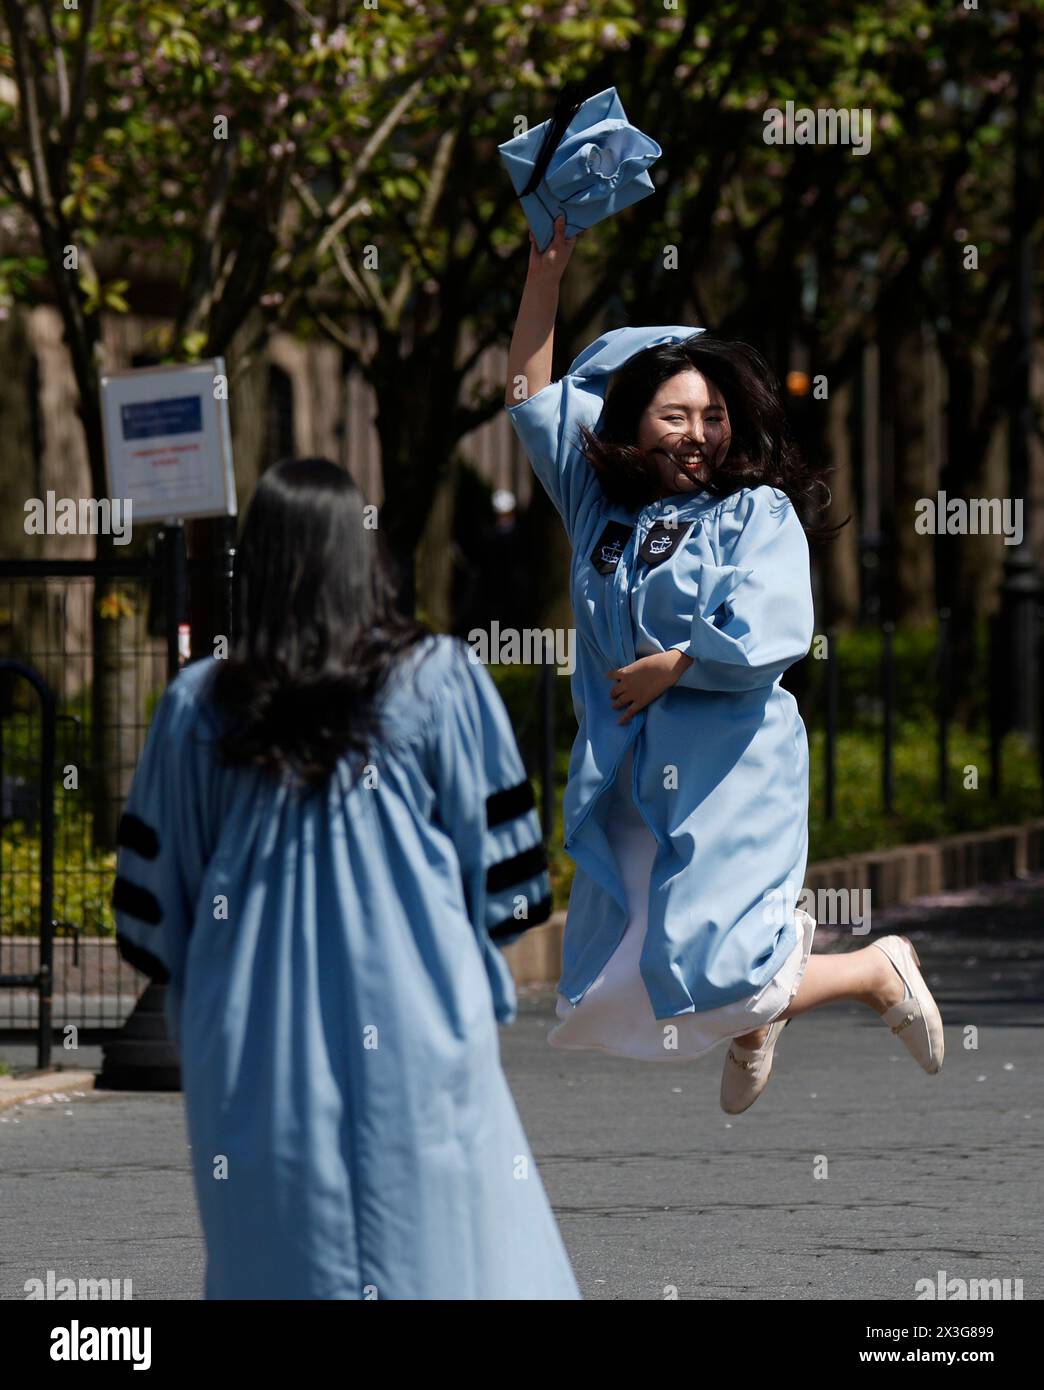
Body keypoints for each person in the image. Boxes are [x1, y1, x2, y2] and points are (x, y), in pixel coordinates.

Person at [503, 216, 944, 1114]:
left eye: (713, 416)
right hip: (627, 778)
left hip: (729, 770)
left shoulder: (755, 513)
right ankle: (758, 1017)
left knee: (717, 958)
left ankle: (868, 969)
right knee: (619, 981)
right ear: (636, 422)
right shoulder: (595, 503)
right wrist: (544, 277)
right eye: (676, 415)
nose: (696, 433)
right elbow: (528, 393)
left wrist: (676, 665)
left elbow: (775, 626)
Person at [112, 457, 580, 1300]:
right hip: (417, 1037)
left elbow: (154, 915)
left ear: (256, 566)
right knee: (441, 1262)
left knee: (278, 1262)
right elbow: (510, 890)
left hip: (252, 1051)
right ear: (364, 561)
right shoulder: (439, 681)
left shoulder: (198, 706)